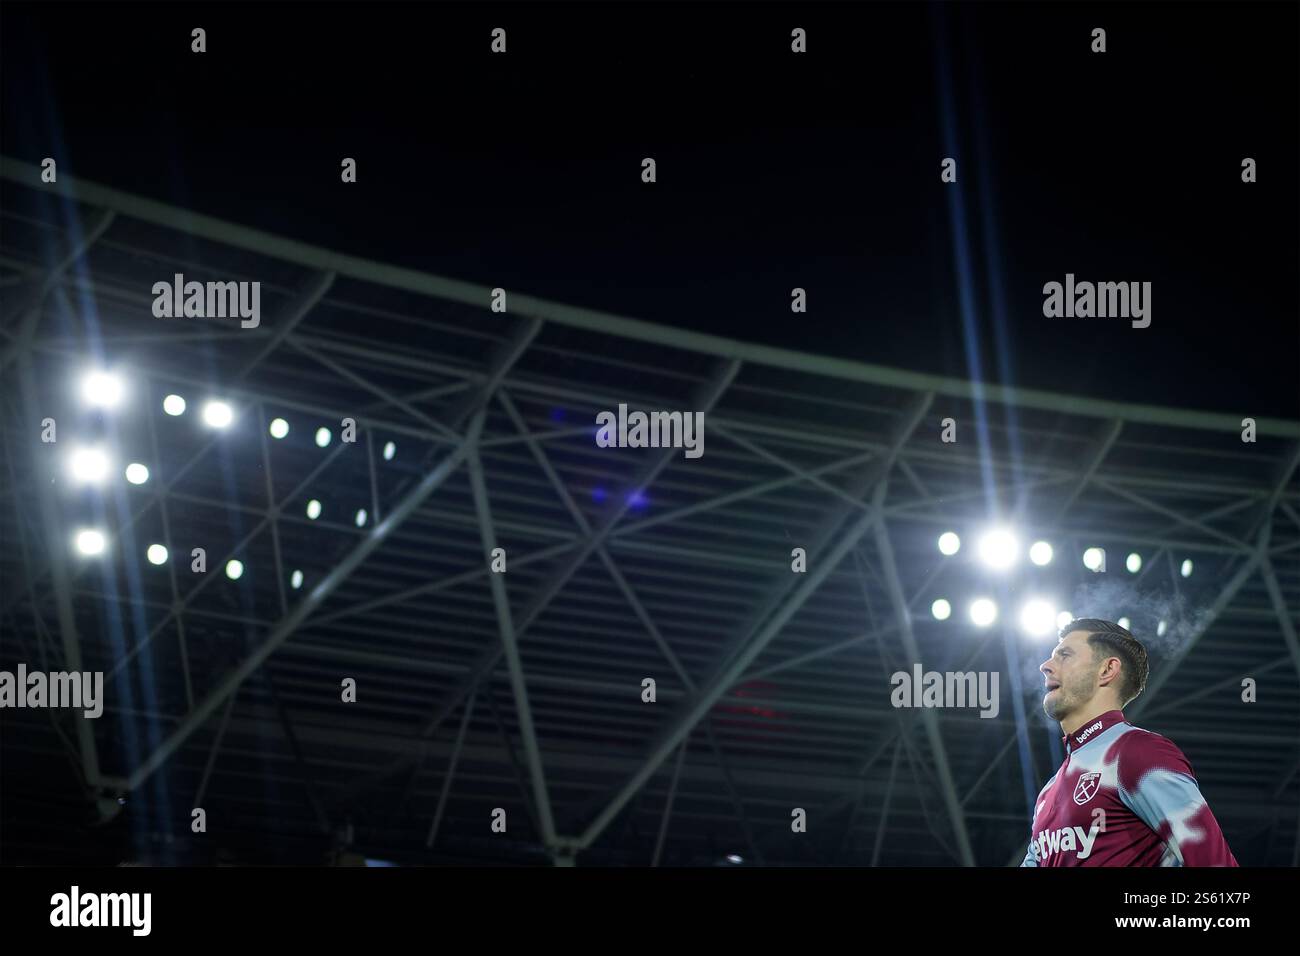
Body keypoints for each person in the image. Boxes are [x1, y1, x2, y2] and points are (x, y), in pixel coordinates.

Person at [1021, 619, 1237, 866]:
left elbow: (1214, 863)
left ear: (1107, 670)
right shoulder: (1048, 791)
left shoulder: (1137, 752)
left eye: (1065, 655)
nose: (1045, 666)